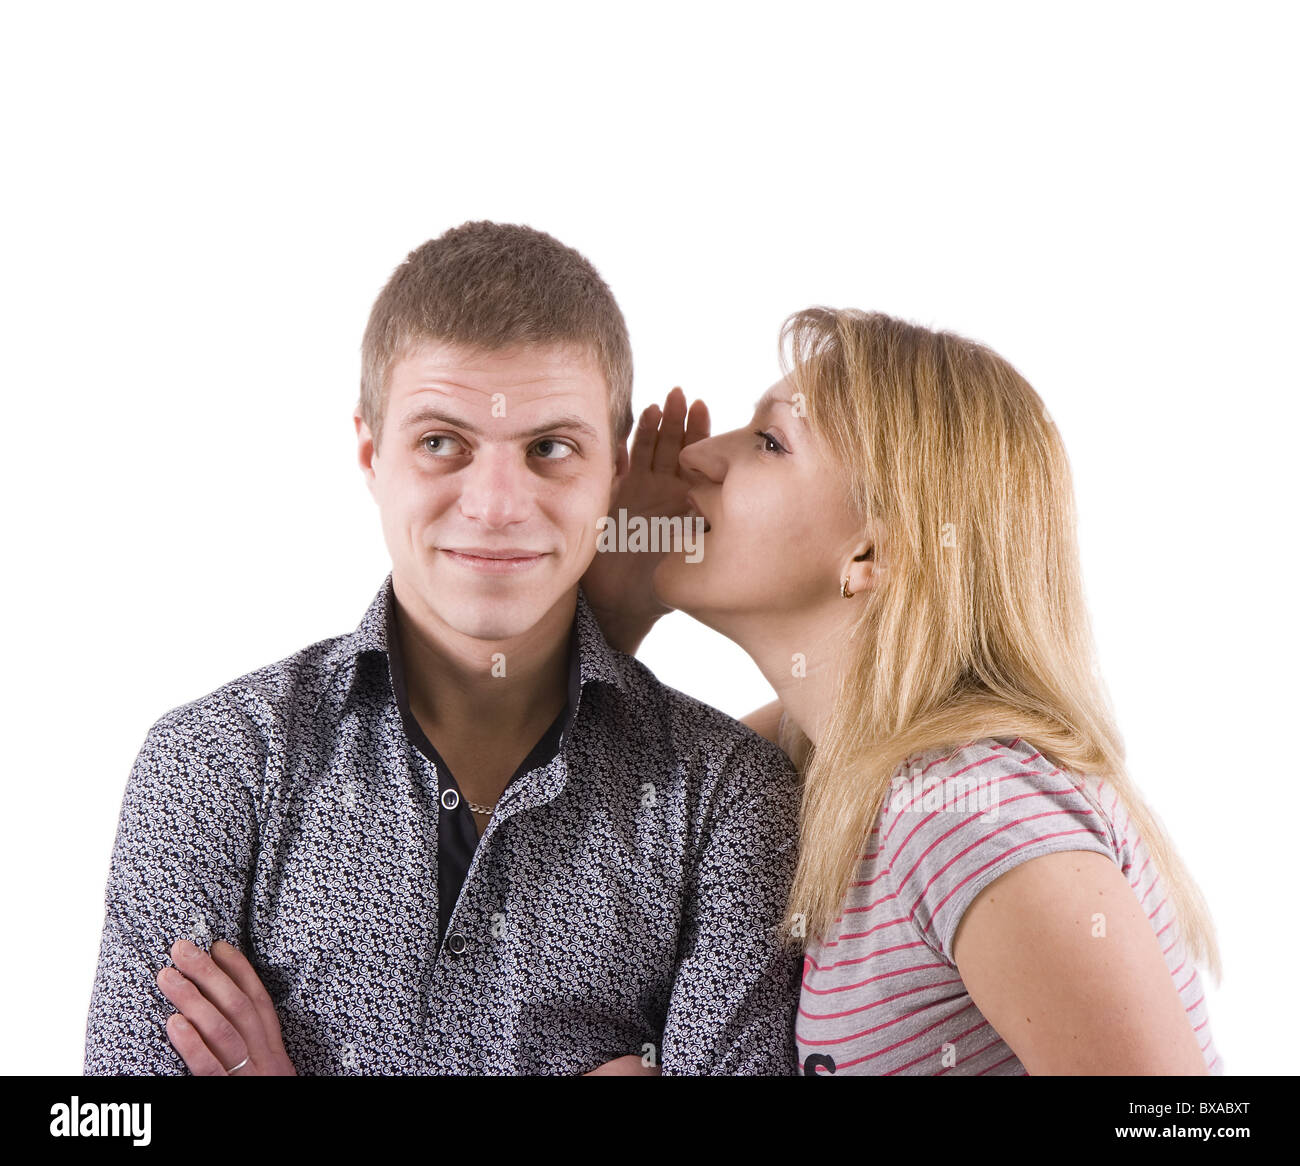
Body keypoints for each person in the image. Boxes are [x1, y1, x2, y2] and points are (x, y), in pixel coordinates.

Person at [82, 221, 802, 1076]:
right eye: (440, 443)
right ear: (369, 454)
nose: (497, 506)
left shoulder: (727, 800)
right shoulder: (213, 762)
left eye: (550, 449)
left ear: (613, 472)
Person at [585, 307, 1224, 1075]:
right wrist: (611, 617)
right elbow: (576, 837)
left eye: (770, 442)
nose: (696, 456)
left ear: (870, 552)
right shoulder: (813, 755)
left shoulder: (969, 815)